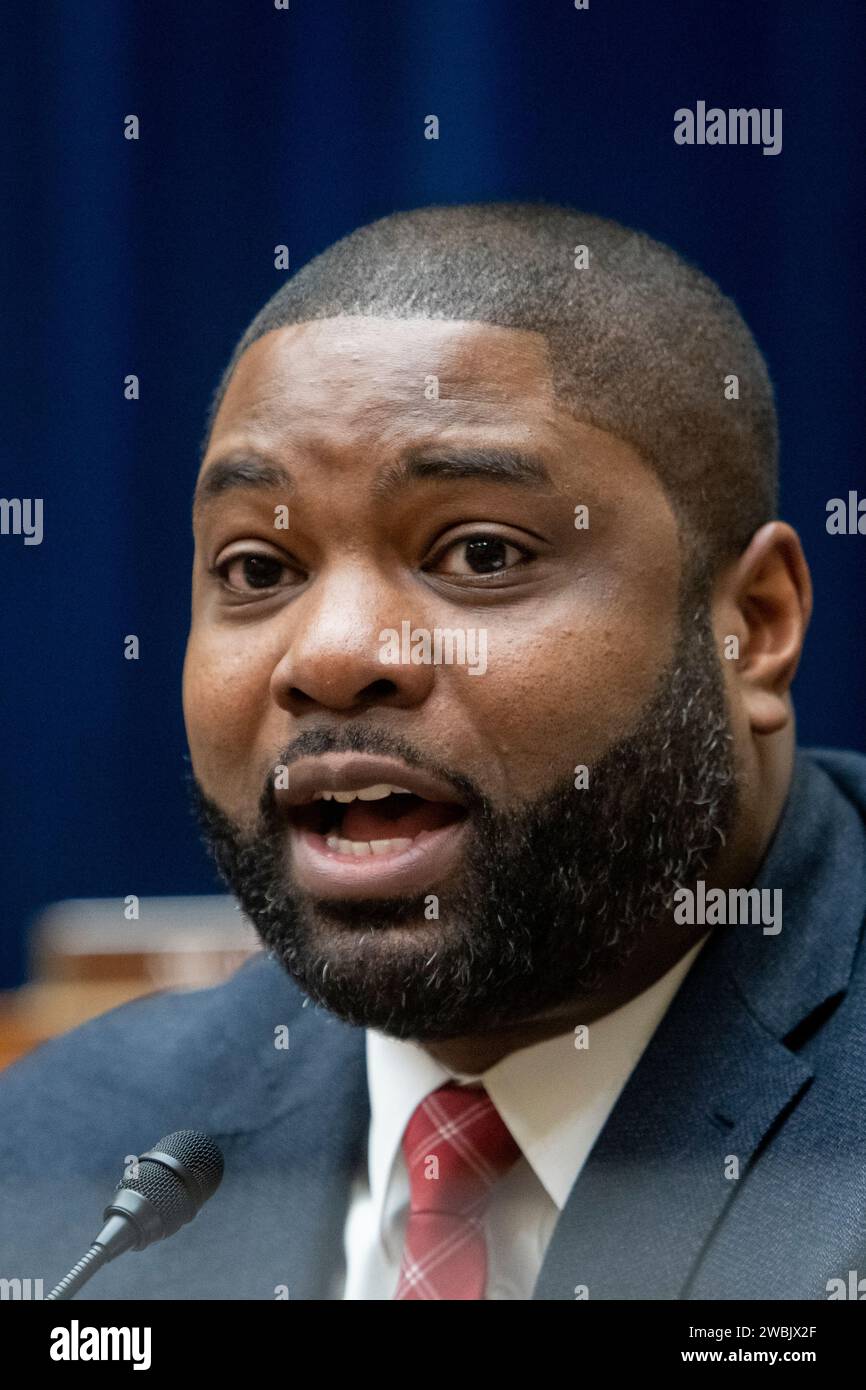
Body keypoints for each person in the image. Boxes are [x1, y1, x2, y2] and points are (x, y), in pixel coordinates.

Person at [2, 202, 865, 1301]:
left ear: (752, 624)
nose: (332, 654)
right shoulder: (64, 1161)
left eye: (480, 550)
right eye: (259, 570)